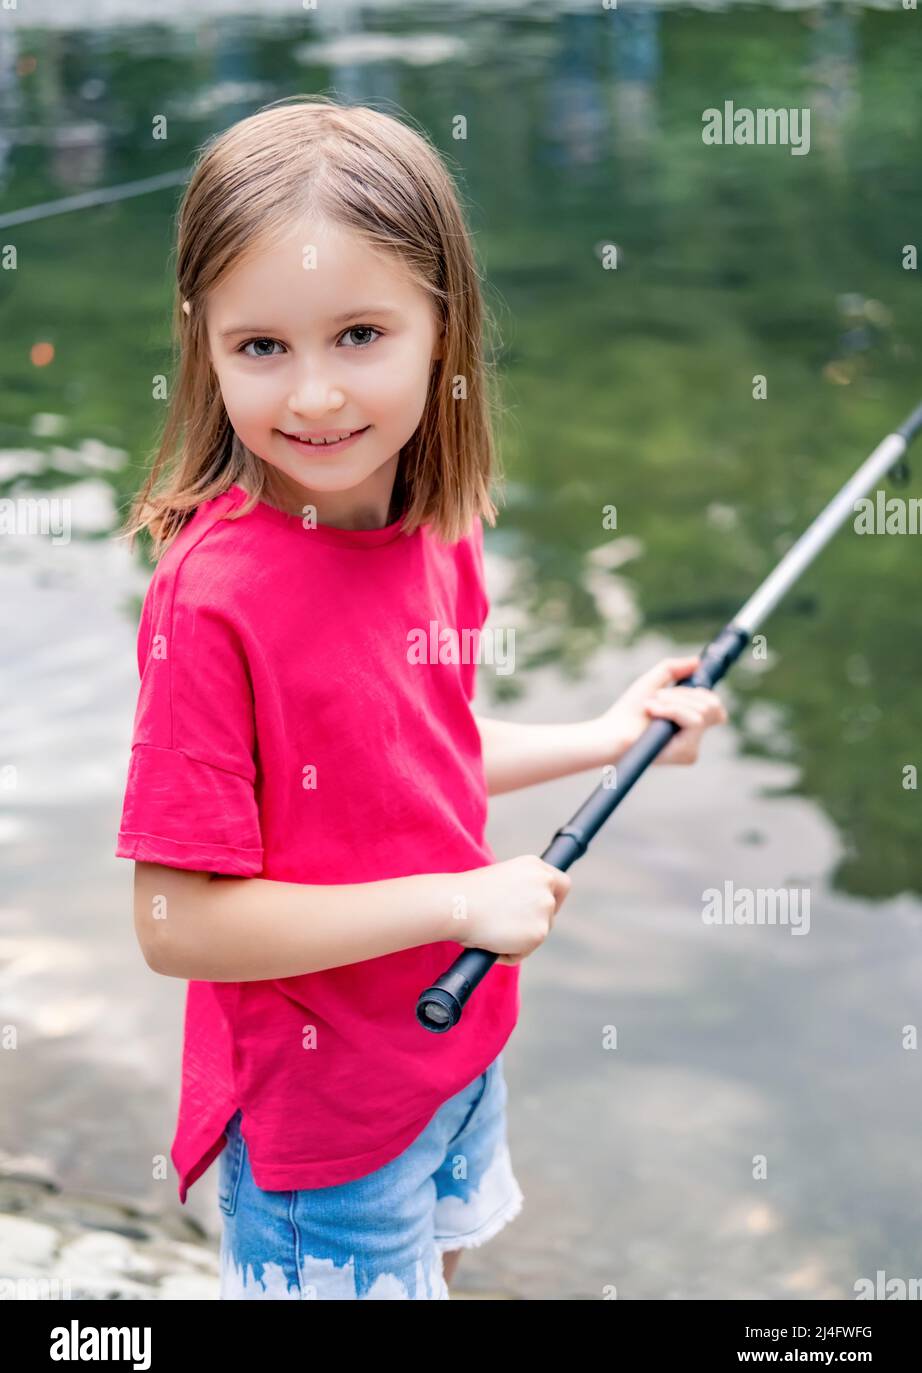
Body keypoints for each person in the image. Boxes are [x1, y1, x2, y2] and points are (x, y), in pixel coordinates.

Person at [114, 95, 727, 1301]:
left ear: (442, 328)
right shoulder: (212, 599)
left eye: (358, 335)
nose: (317, 398)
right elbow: (175, 924)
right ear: (204, 348)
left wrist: (605, 736)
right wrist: (457, 897)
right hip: (321, 1122)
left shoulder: (433, 526)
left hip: (448, 1055)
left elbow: (406, 751)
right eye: (260, 348)